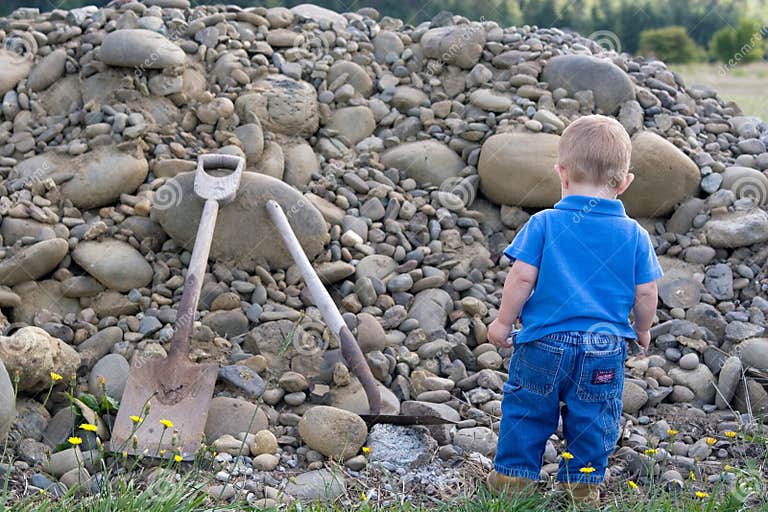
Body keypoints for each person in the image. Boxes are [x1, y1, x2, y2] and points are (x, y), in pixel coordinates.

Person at [486, 115, 662, 505]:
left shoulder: (545, 223)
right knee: (594, 416)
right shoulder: (634, 234)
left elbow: (519, 279)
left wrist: (502, 322)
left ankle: (514, 481)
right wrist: (642, 328)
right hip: (604, 345)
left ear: (561, 174)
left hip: (543, 342)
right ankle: (581, 486)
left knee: (528, 408)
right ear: (625, 182)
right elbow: (646, 291)